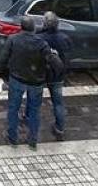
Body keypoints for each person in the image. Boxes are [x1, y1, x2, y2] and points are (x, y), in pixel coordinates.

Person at [0, 15, 60, 149]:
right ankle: (32, 141)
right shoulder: (42, 44)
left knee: (13, 109)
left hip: (17, 79)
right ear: (34, 28)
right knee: (34, 112)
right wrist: (54, 57)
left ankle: (12, 138)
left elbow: (3, 58)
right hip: (36, 82)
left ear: (21, 27)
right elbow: (56, 64)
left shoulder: (13, 39)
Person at [39, 11, 72, 141]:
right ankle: (60, 128)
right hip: (57, 75)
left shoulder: (39, 38)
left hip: (41, 75)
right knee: (58, 102)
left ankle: (28, 116)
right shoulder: (64, 38)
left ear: (44, 24)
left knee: (34, 99)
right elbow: (68, 57)